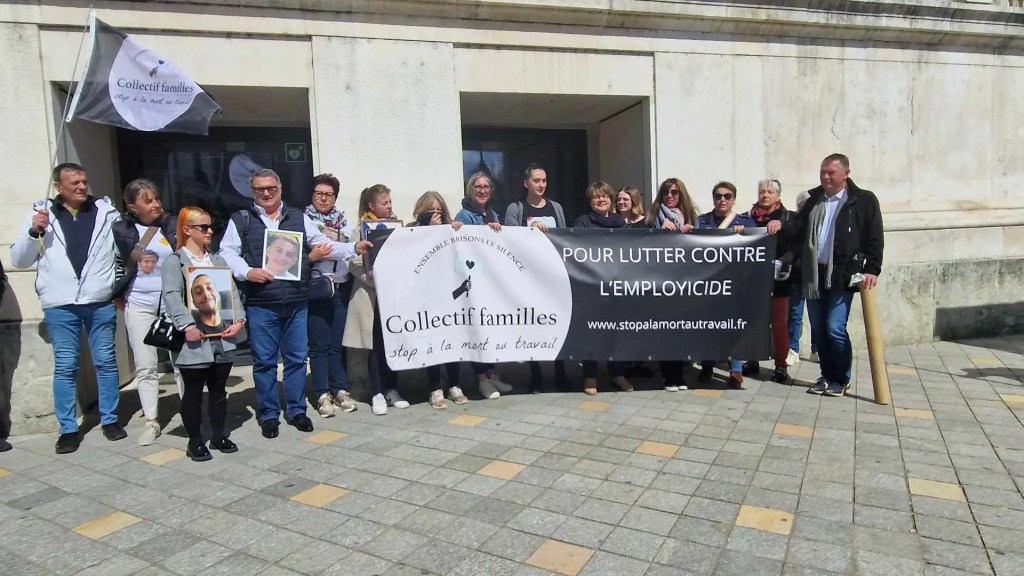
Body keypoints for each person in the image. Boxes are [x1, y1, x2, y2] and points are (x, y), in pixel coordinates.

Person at [221, 168, 366, 439]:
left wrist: (353, 248)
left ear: (280, 189)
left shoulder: (298, 217)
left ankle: (297, 410)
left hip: (296, 300)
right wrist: (247, 272)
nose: (266, 193)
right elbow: (227, 253)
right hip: (262, 302)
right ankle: (268, 415)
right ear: (252, 191)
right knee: (264, 363)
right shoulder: (241, 219)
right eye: (260, 189)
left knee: (297, 360)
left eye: (271, 188)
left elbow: (323, 244)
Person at [11, 163, 125, 454]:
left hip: (99, 301)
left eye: (84, 181)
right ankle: (68, 429)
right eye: (74, 182)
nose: (82, 186)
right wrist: (32, 231)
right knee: (66, 366)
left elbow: (121, 254)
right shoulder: (43, 214)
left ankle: (110, 420)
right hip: (60, 304)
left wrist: (118, 288)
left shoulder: (106, 212)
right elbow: (19, 261)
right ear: (58, 187)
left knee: (106, 362)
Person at [768, 153, 884, 397]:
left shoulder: (862, 200)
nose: (825, 177)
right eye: (822, 172)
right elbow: (798, 228)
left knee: (834, 327)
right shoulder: (814, 199)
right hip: (814, 274)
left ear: (846, 174)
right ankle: (827, 375)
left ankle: (842, 378)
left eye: (831, 172)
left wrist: (872, 269)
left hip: (842, 273)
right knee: (819, 328)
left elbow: (874, 236)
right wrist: (781, 224)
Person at [162, 207, 246, 461]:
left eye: (211, 227)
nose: (210, 232)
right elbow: (172, 296)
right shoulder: (175, 262)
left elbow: (231, 292)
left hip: (222, 335)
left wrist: (239, 320)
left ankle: (219, 435)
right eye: (204, 227)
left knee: (218, 388)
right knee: (194, 390)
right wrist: (187, 326)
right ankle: (195, 441)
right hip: (194, 338)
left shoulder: (217, 260)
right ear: (187, 230)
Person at [111, 179, 181, 446]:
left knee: (181, 362)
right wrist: (117, 294)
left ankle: (190, 412)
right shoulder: (121, 229)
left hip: (171, 303)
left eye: (156, 198)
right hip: (139, 304)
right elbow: (115, 263)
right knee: (146, 365)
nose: (155, 204)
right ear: (132, 206)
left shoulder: (173, 225)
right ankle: (152, 420)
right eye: (148, 200)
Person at [343, 184, 410, 415]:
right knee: (373, 347)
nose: (389, 206)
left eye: (390, 201)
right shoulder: (359, 231)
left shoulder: (398, 229)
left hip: (393, 298)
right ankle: (377, 393)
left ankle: (392, 388)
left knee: (392, 343)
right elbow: (354, 264)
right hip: (370, 297)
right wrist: (378, 281)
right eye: (384, 203)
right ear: (371, 206)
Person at [503, 164, 570, 393]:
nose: (541, 185)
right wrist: (530, 228)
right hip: (528, 278)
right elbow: (509, 239)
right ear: (526, 183)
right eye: (536, 180)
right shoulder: (516, 208)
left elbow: (564, 238)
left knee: (557, 323)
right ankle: (536, 376)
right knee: (532, 325)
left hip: (553, 276)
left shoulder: (556, 208)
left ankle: (561, 373)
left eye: (544, 180)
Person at [572, 181, 634, 396]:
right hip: (591, 287)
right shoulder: (582, 222)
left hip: (615, 286)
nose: (601, 199)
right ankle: (590, 376)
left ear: (611, 199)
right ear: (590, 201)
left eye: (605, 196)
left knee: (615, 332)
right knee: (591, 331)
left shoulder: (621, 223)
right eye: (596, 196)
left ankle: (617, 374)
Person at [410, 191, 470, 408]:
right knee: (433, 340)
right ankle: (435, 387)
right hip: (427, 295)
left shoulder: (451, 227)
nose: (435, 214)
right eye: (430, 210)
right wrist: (431, 231)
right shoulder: (412, 229)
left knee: (453, 338)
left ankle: (454, 384)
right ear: (422, 211)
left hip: (450, 293)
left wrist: (455, 230)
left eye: (439, 210)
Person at [304, 174, 357, 417]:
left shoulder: (344, 221)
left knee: (337, 344)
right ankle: (322, 393)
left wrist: (342, 247)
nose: (323, 198)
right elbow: (324, 246)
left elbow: (346, 252)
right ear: (312, 195)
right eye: (319, 194)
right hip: (318, 289)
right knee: (319, 345)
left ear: (335, 197)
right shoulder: (304, 220)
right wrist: (346, 247)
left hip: (341, 287)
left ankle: (340, 389)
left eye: (329, 194)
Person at [695, 181, 756, 389]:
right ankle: (707, 366)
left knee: (732, 326)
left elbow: (755, 248)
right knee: (708, 327)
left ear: (734, 200)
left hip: (734, 285)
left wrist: (743, 234)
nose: (722, 200)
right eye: (718, 196)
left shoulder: (745, 223)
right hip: (708, 284)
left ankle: (736, 369)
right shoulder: (702, 221)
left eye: (727, 196)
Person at [455, 172, 508, 399]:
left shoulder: (492, 213)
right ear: (471, 190)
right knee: (476, 331)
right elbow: (463, 250)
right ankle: (481, 379)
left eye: (486, 187)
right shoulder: (464, 215)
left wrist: (497, 229)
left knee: (490, 330)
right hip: (474, 282)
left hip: (491, 282)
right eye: (478, 187)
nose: (483, 190)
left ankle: (491, 374)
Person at [741, 179, 796, 383]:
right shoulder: (747, 218)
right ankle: (752, 360)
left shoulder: (789, 217)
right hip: (752, 280)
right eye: (762, 191)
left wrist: (787, 255)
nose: (765, 195)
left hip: (778, 281)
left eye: (769, 192)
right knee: (753, 322)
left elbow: (798, 242)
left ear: (778, 196)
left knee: (778, 323)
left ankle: (781, 365)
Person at [646, 178, 697, 391]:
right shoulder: (653, 216)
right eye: (666, 192)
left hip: (684, 283)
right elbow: (643, 245)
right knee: (664, 330)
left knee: (680, 330)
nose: (670, 196)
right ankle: (668, 376)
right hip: (660, 282)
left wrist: (690, 233)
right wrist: (659, 232)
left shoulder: (691, 216)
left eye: (674, 192)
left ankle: (679, 374)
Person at [787, 190, 817, 364]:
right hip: (797, 273)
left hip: (814, 274)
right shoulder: (794, 221)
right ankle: (793, 348)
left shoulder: (818, 223)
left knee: (815, 314)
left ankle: (816, 349)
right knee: (795, 313)